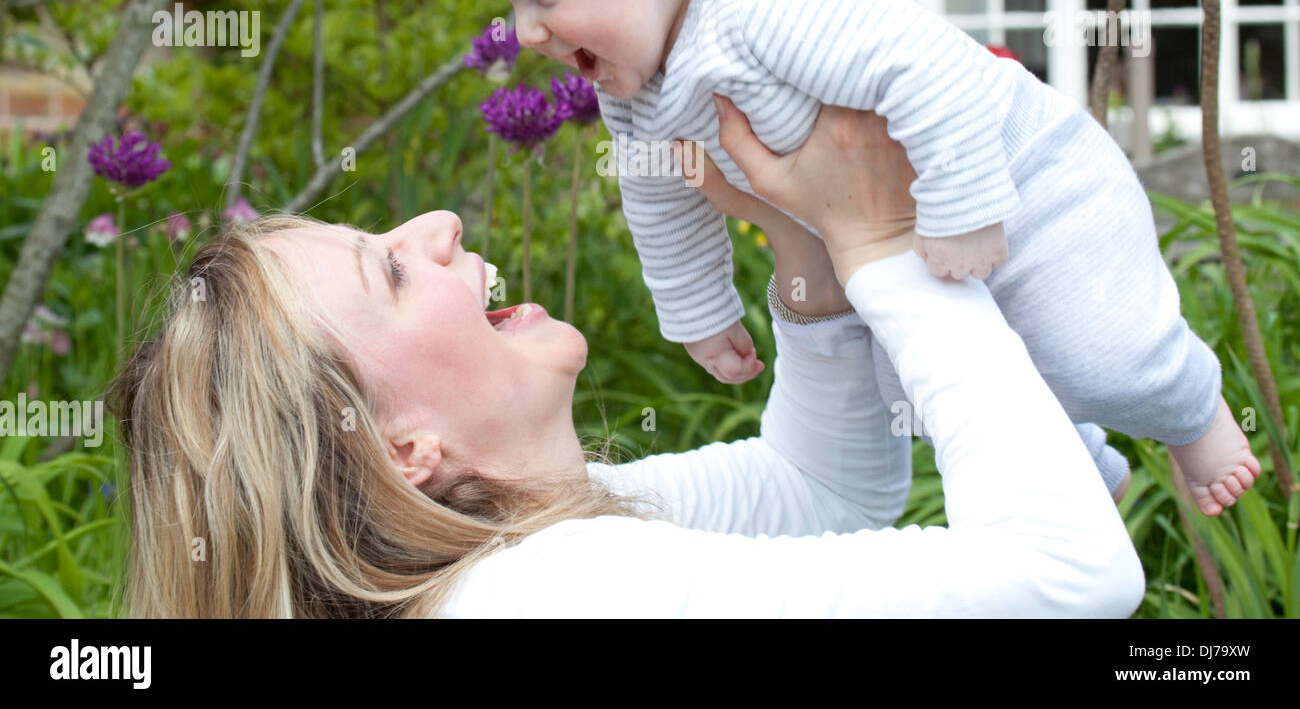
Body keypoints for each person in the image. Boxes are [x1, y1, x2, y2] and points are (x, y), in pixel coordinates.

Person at [448, 0, 1258, 516]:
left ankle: (1192, 410)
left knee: (1100, 355)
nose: (528, 30)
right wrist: (697, 309)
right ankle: (1083, 469)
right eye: (514, 1)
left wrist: (963, 204)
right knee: (920, 385)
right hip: (894, 238)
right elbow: (661, 199)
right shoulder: (634, 84)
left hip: (1025, 183)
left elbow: (928, 68)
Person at [106, 100, 1144, 617]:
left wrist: (806, 248)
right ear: (400, 449)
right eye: (389, 270)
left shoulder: (523, 552)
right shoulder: (552, 594)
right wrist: (885, 247)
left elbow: (824, 489)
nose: (438, 223)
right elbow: (1071, 574)